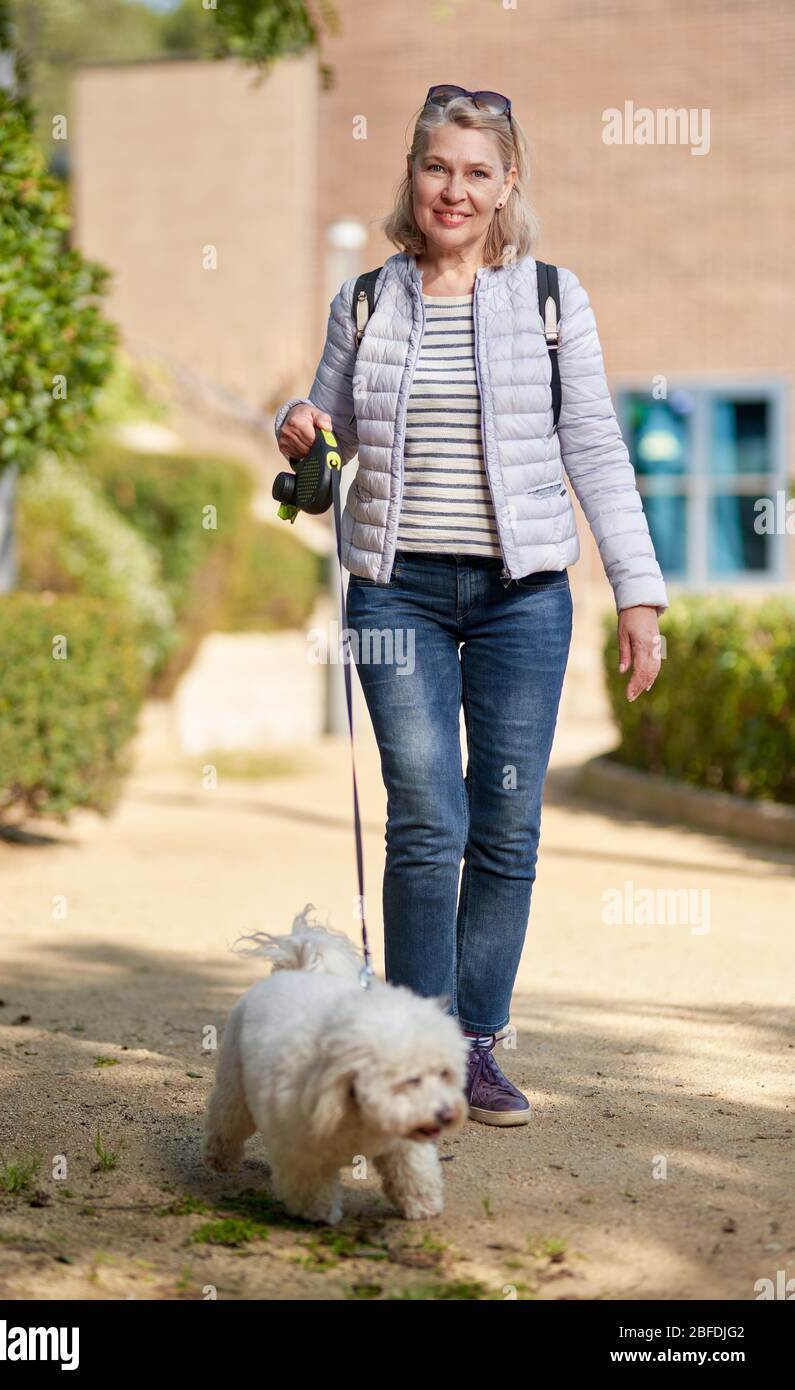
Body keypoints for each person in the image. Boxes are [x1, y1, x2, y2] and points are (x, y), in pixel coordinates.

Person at [275, 85, 667, 1127]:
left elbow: (596, 447)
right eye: (438, 167)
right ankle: (414, 1044)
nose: (455, 189)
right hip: (395, 588)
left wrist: (639, 594)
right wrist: (302, 425)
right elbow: (333, 425)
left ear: (507, 187)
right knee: (425, 816)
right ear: (413, 173)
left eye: (477, 172)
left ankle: (475, 1047)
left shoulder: (548, 297)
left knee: (505, 821)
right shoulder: (367, 299)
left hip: (522, 595)